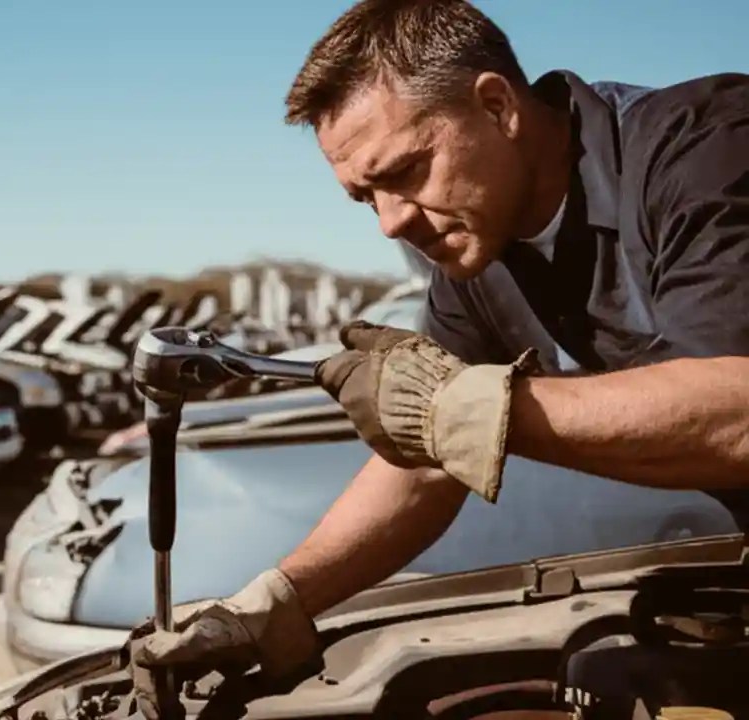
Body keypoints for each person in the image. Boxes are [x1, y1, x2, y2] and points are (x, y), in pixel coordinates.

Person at [127, 0, 749, 717]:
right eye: (366, 198)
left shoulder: (709, 149)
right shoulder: (477, 256)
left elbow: (735, 412)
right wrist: (276, 604)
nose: (392, 220)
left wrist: (463, 409)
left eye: (407, 172)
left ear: (496, 106)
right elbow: (427, 463)